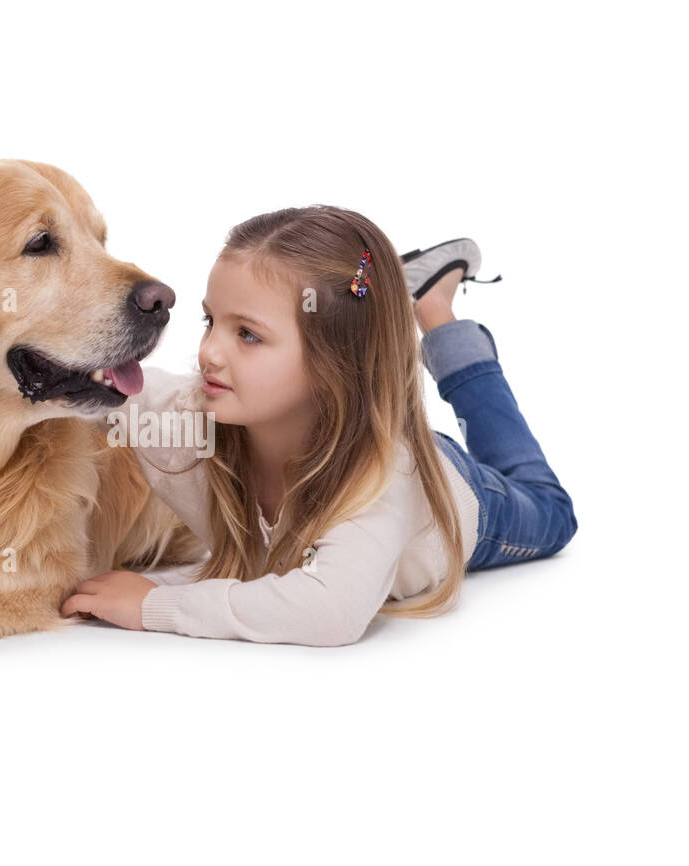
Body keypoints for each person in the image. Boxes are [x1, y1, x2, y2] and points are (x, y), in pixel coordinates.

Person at [60, 208, 577, 646]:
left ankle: (438, 314)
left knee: (548, 505)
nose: (209, 352)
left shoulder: (380, 477)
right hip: (361, 426)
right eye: (209, 321)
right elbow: (83, 385)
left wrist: (156, 605)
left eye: (248, 335)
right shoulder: (190, 414)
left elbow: (331, 610)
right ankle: (393, 300)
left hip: (462, 496)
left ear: (333, 363)